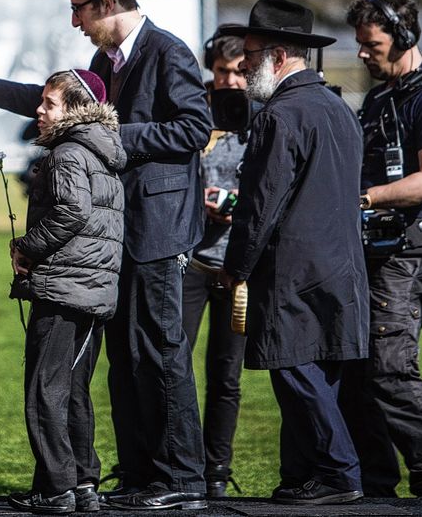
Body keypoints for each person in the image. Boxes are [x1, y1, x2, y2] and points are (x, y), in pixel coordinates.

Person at [0, 0, 212, 511]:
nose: (75, 21)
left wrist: (111, 137)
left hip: (156, 232)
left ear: (108, 2)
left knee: (159, 354)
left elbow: (193, 127)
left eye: (80, 9)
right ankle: (142, 473)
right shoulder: (107, 66)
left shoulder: (168, 54)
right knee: (125, 361)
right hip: (115, 237)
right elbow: (62, 108)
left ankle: (183, 479)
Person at [217, 0, 369, 505]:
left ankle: (338, 474)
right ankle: (303, 474)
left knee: (296, 371)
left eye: (251, 55)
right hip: (341, 267)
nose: (242, 65)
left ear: (278, 56)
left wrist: (235, 267)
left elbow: (260, 205)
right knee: (317, 373)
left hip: (293, 272)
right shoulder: (337, 109)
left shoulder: (280, 116)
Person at [338, 0, 422, 498]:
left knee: (390, 369)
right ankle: (376, 487)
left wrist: (364, 199)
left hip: (406, 255)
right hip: (368, 251)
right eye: (360, 44)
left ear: (404, 35)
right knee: (358, 371)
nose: (363, 53)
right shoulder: (378, 98)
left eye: (371, 44)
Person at [6, 69, 127, 514]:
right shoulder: (101, 152)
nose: (39, 110)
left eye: (49, 103)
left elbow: (72, 212)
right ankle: (81, 484)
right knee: (72, 390)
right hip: (92, 289)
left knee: (43, 390)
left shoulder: (68, 153)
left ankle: (57, 489)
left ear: (76, 110)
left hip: (65, 287)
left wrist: (26, 248)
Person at [181, 26, 248, 498]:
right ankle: (175, 465)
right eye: (223, 71)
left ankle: (216, 473)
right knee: (174, 367)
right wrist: (195, 199)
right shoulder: (196, 110)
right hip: (192, 260)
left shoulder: (263, 114)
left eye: (240, 72)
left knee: (226, 377)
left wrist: (240, 204)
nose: (230, 81)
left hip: (239, 265)